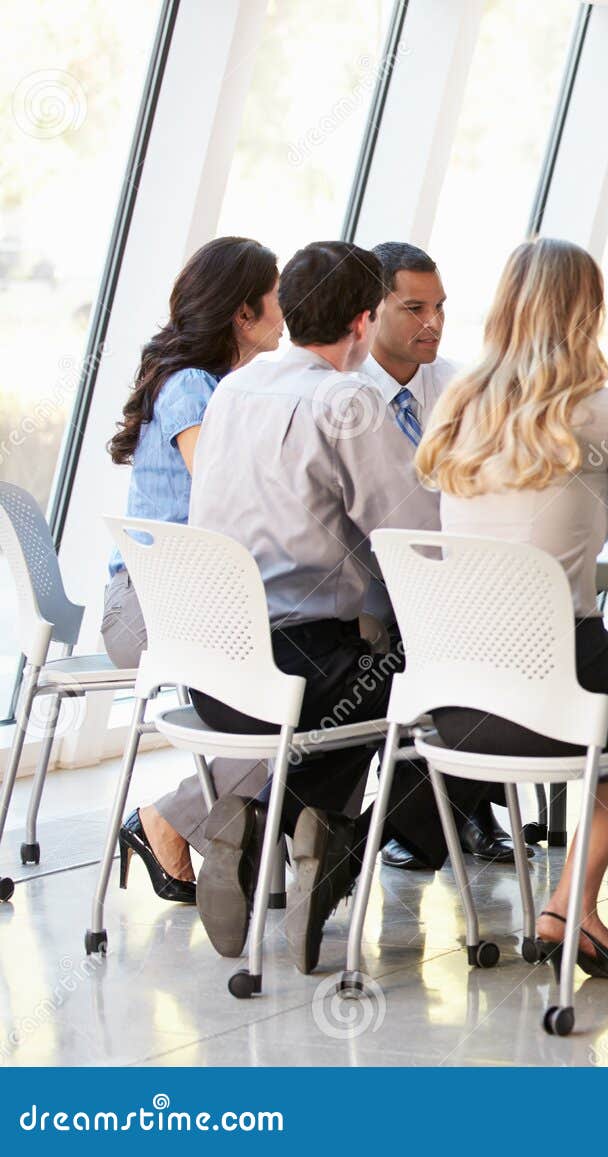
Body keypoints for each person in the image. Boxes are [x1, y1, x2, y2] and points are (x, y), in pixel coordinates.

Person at [415, 237, 608, 979]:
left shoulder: (456, 406)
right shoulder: (605, 411)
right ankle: (577, 895)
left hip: (461, 700)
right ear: (586, 314)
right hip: (562, 701)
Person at [185, 240, 485, 973]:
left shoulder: (234, 388)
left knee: (369, 667)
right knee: (465, 678)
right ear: (363, 319)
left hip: (214, 671)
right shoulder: (345, 399)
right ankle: (325, 829)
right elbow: (417, 535)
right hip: (303, 674)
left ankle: (273, 819)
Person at [100, 236, 281, 905]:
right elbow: (223, 496)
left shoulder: (216, 385)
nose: (285, 303)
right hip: (147, 606)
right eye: (277, 289)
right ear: (243, 310)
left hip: (181, 601)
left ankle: (208, 830)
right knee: (290, 699)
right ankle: (166, 820)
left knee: (296, 689)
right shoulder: (193, 389)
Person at [350, 242, 525, 872]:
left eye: (441, 308)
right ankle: (431, 812)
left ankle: (457, 805)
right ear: (370, 311)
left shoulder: (457, 384)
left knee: (525, 638)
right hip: (374, 585)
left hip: (456, 574)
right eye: (414, 308)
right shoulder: (344, 393)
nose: (433, 322)